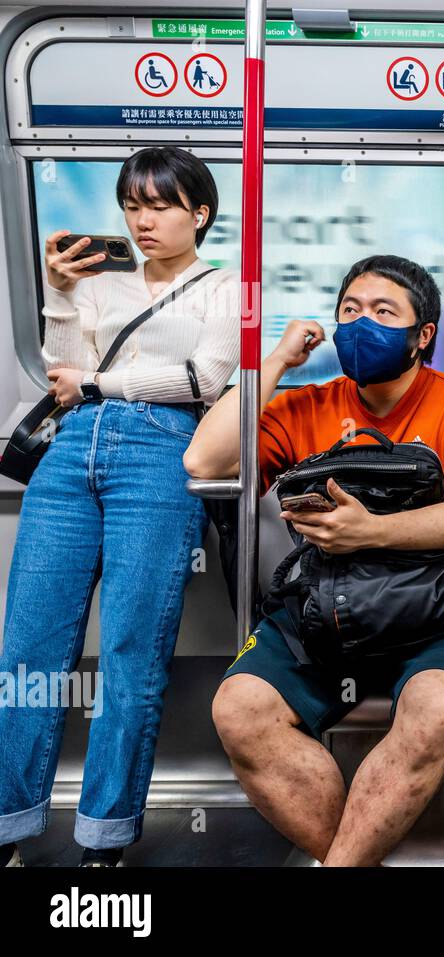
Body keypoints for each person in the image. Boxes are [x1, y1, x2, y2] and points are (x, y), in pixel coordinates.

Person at [185, 255, 444, 867]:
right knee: (239, 710)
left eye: (382, 312)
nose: (360, 324)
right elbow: (204, 463)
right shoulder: (307, 406)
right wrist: (276, 362)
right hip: (325, 602)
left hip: (443, 604)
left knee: (437, 709)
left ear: (422, 335)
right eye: (349, 310)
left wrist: (371, 532)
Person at [0, 147, 239, 867]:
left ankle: (104, 836)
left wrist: (104, 385)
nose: (143, 219)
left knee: (133, 654)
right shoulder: (102, 283)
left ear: (198, 213)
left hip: (160, 452)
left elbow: (205, 375)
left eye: (161, 204)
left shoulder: (225, 287)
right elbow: (62, 371)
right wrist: (61, 291)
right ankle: (9, 824)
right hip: (71, 453)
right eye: (133, 205)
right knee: (27, 651)